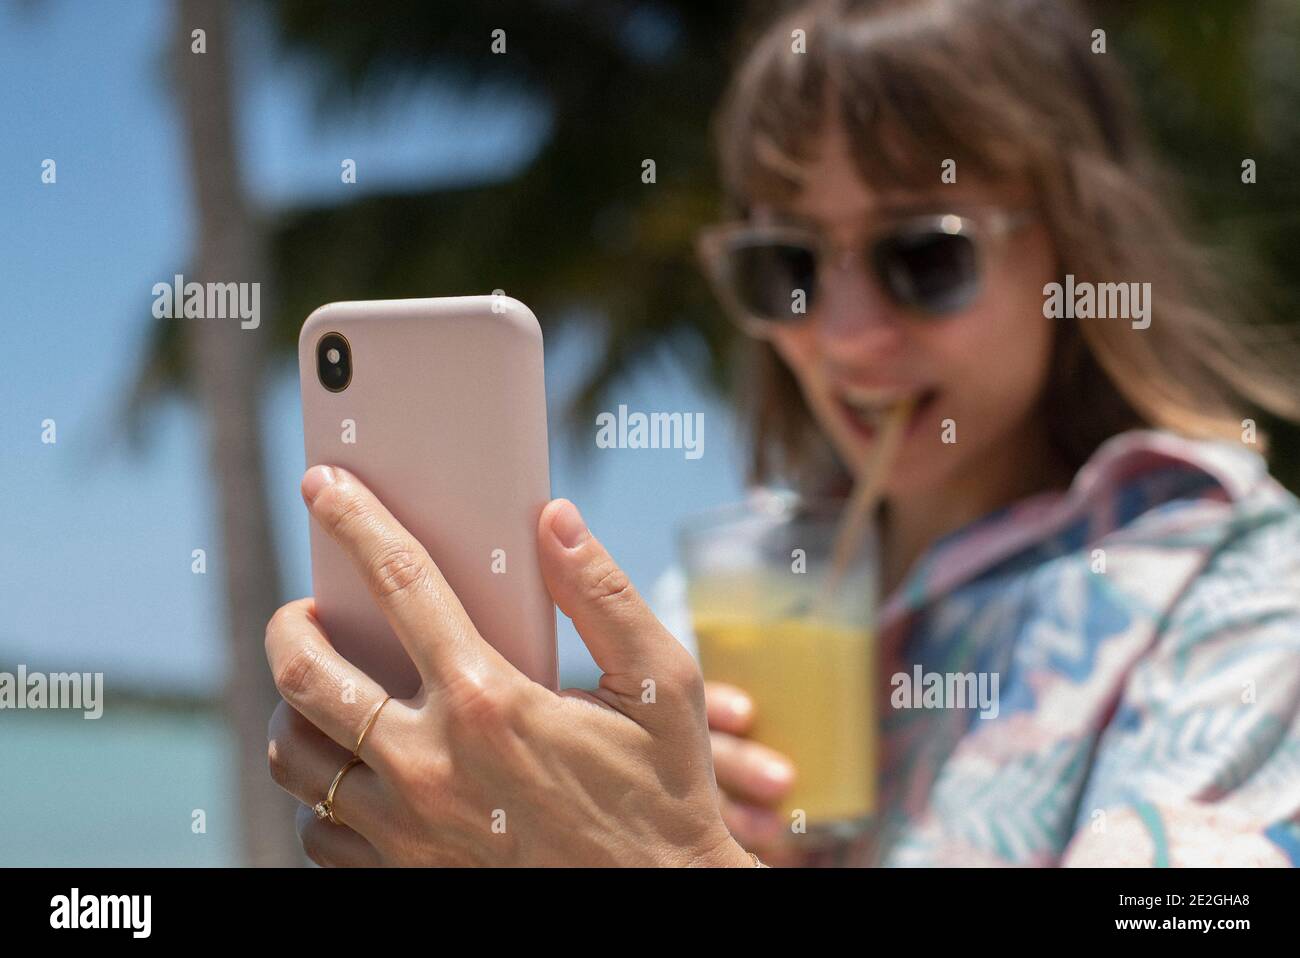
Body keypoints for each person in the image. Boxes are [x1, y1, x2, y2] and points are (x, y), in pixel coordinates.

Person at [264, 0, 1300, 866]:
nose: (844, 338)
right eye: (789, 266)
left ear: (1075, 248)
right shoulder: (724, 589)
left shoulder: (1240, 585)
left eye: (922, 255)